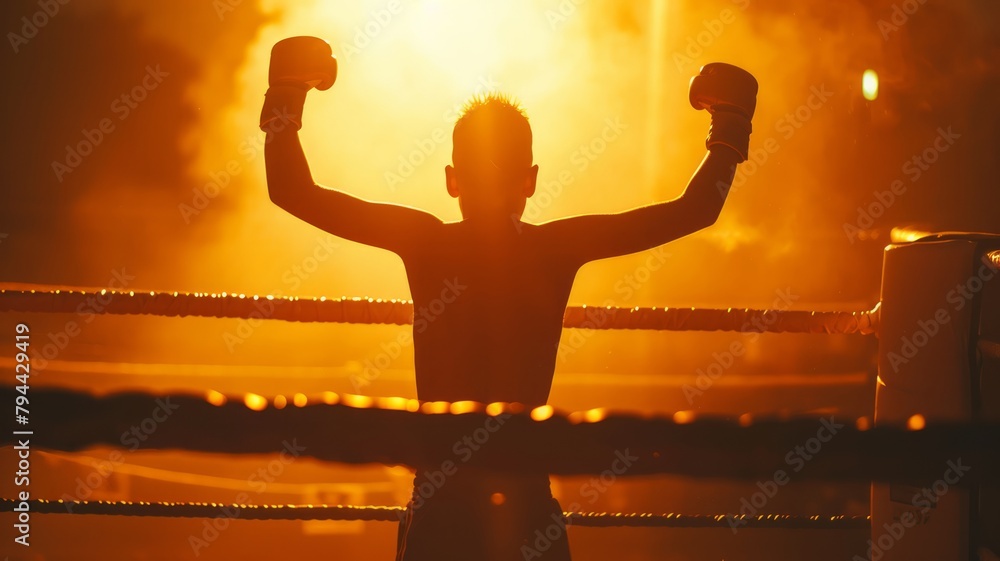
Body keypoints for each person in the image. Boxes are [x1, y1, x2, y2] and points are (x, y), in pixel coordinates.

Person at [260, 36, 756, 561]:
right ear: (531, 181)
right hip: (524, 493)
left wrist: (287, 95)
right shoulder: (554, 249)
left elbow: (291, 189)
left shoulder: (425, 241)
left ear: (452, 181)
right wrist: (729, 125)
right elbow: (696, 209)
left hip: (441, 496)